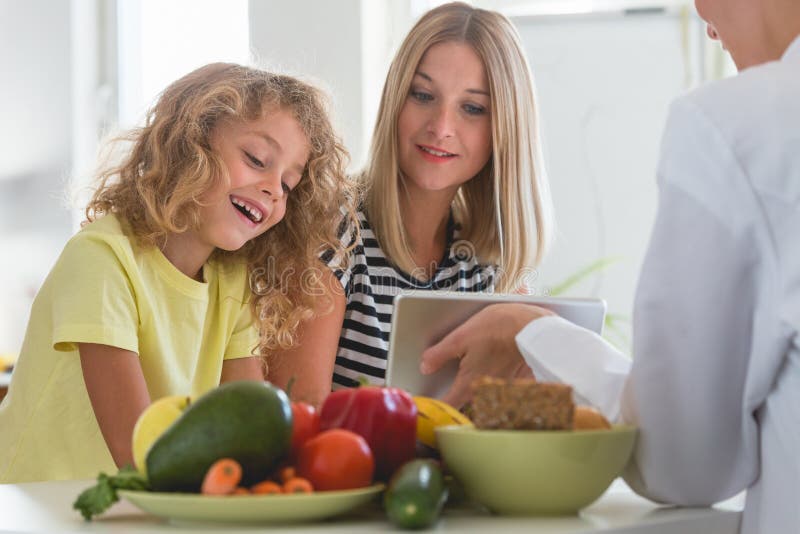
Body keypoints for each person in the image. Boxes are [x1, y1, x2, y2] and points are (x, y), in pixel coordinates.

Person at [420, 1, 800, 532]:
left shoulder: (736, 125)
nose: (703, 19)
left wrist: (537, 334)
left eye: (474, 107)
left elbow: (685, 463)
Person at [0, 63, 355, 483]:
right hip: (40, 508)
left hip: (142, 508)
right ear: (190, 143)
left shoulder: (231, 279)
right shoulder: (101, 257)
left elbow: (251, 427)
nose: (274, 190)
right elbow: (137, 451)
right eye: (257, 159)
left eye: (289, 185)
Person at [267, 2, 553, 406]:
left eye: (472, 107)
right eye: (422, 95)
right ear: (396, 99)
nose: (441, 127)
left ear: (504, 127)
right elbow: (299, 415)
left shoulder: (490, 264)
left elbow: (513, 424)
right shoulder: (334, 227)